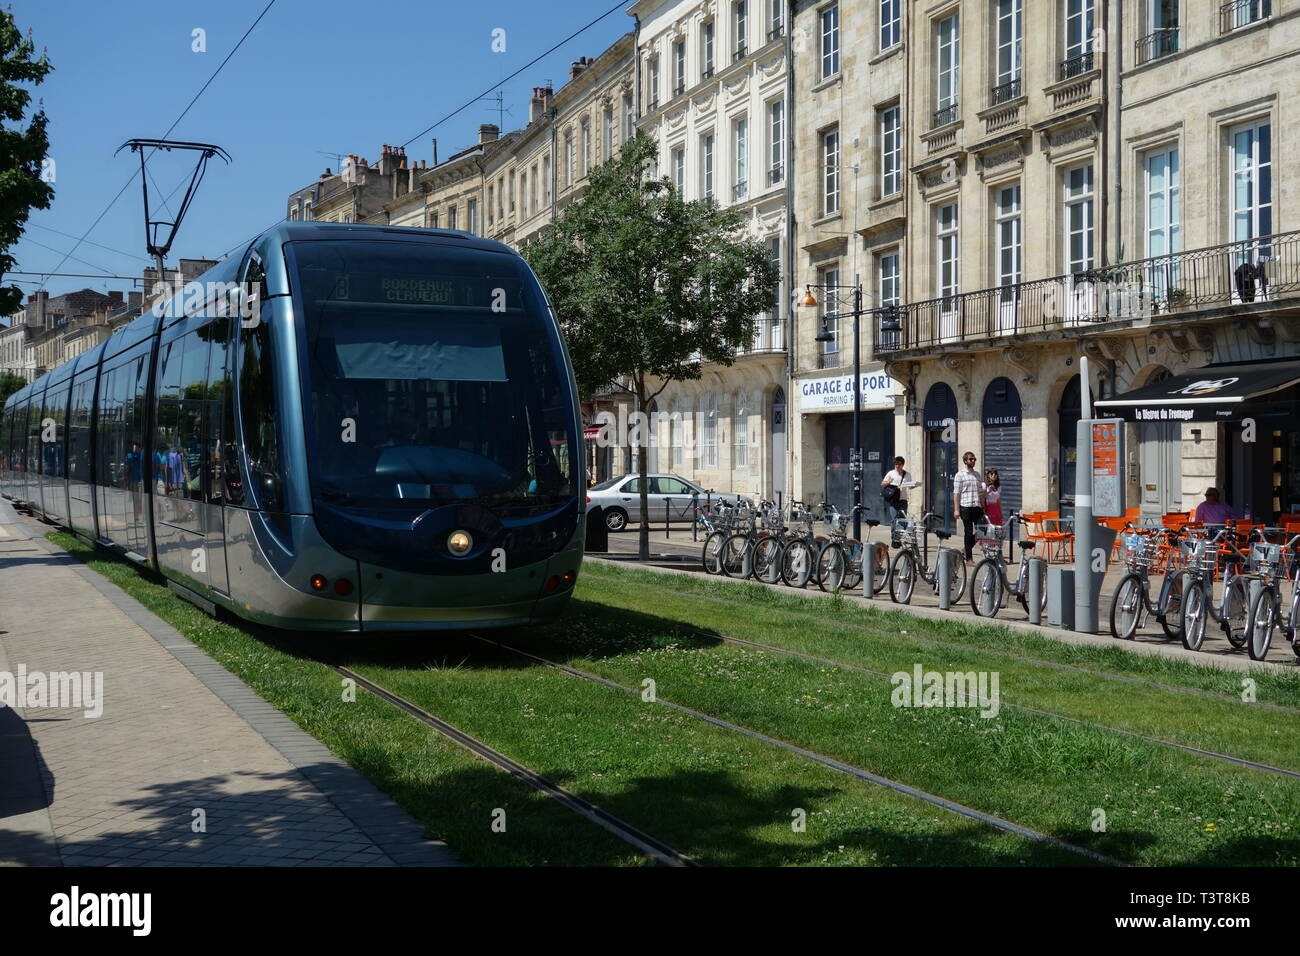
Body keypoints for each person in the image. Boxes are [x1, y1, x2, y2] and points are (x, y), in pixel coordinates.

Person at [952, 451, 986, 562]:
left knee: (982, 531)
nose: (973, 461)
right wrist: (956, 510)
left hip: (977, 506)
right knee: (968, 532)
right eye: (971, 459)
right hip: (965, 507)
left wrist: (983, 506)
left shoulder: (977, 475)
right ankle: (969, 559)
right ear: (965, 461)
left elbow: (980, 492)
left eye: (974, 459)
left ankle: (965, 550)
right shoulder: (960, 475)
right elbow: (957, 493)